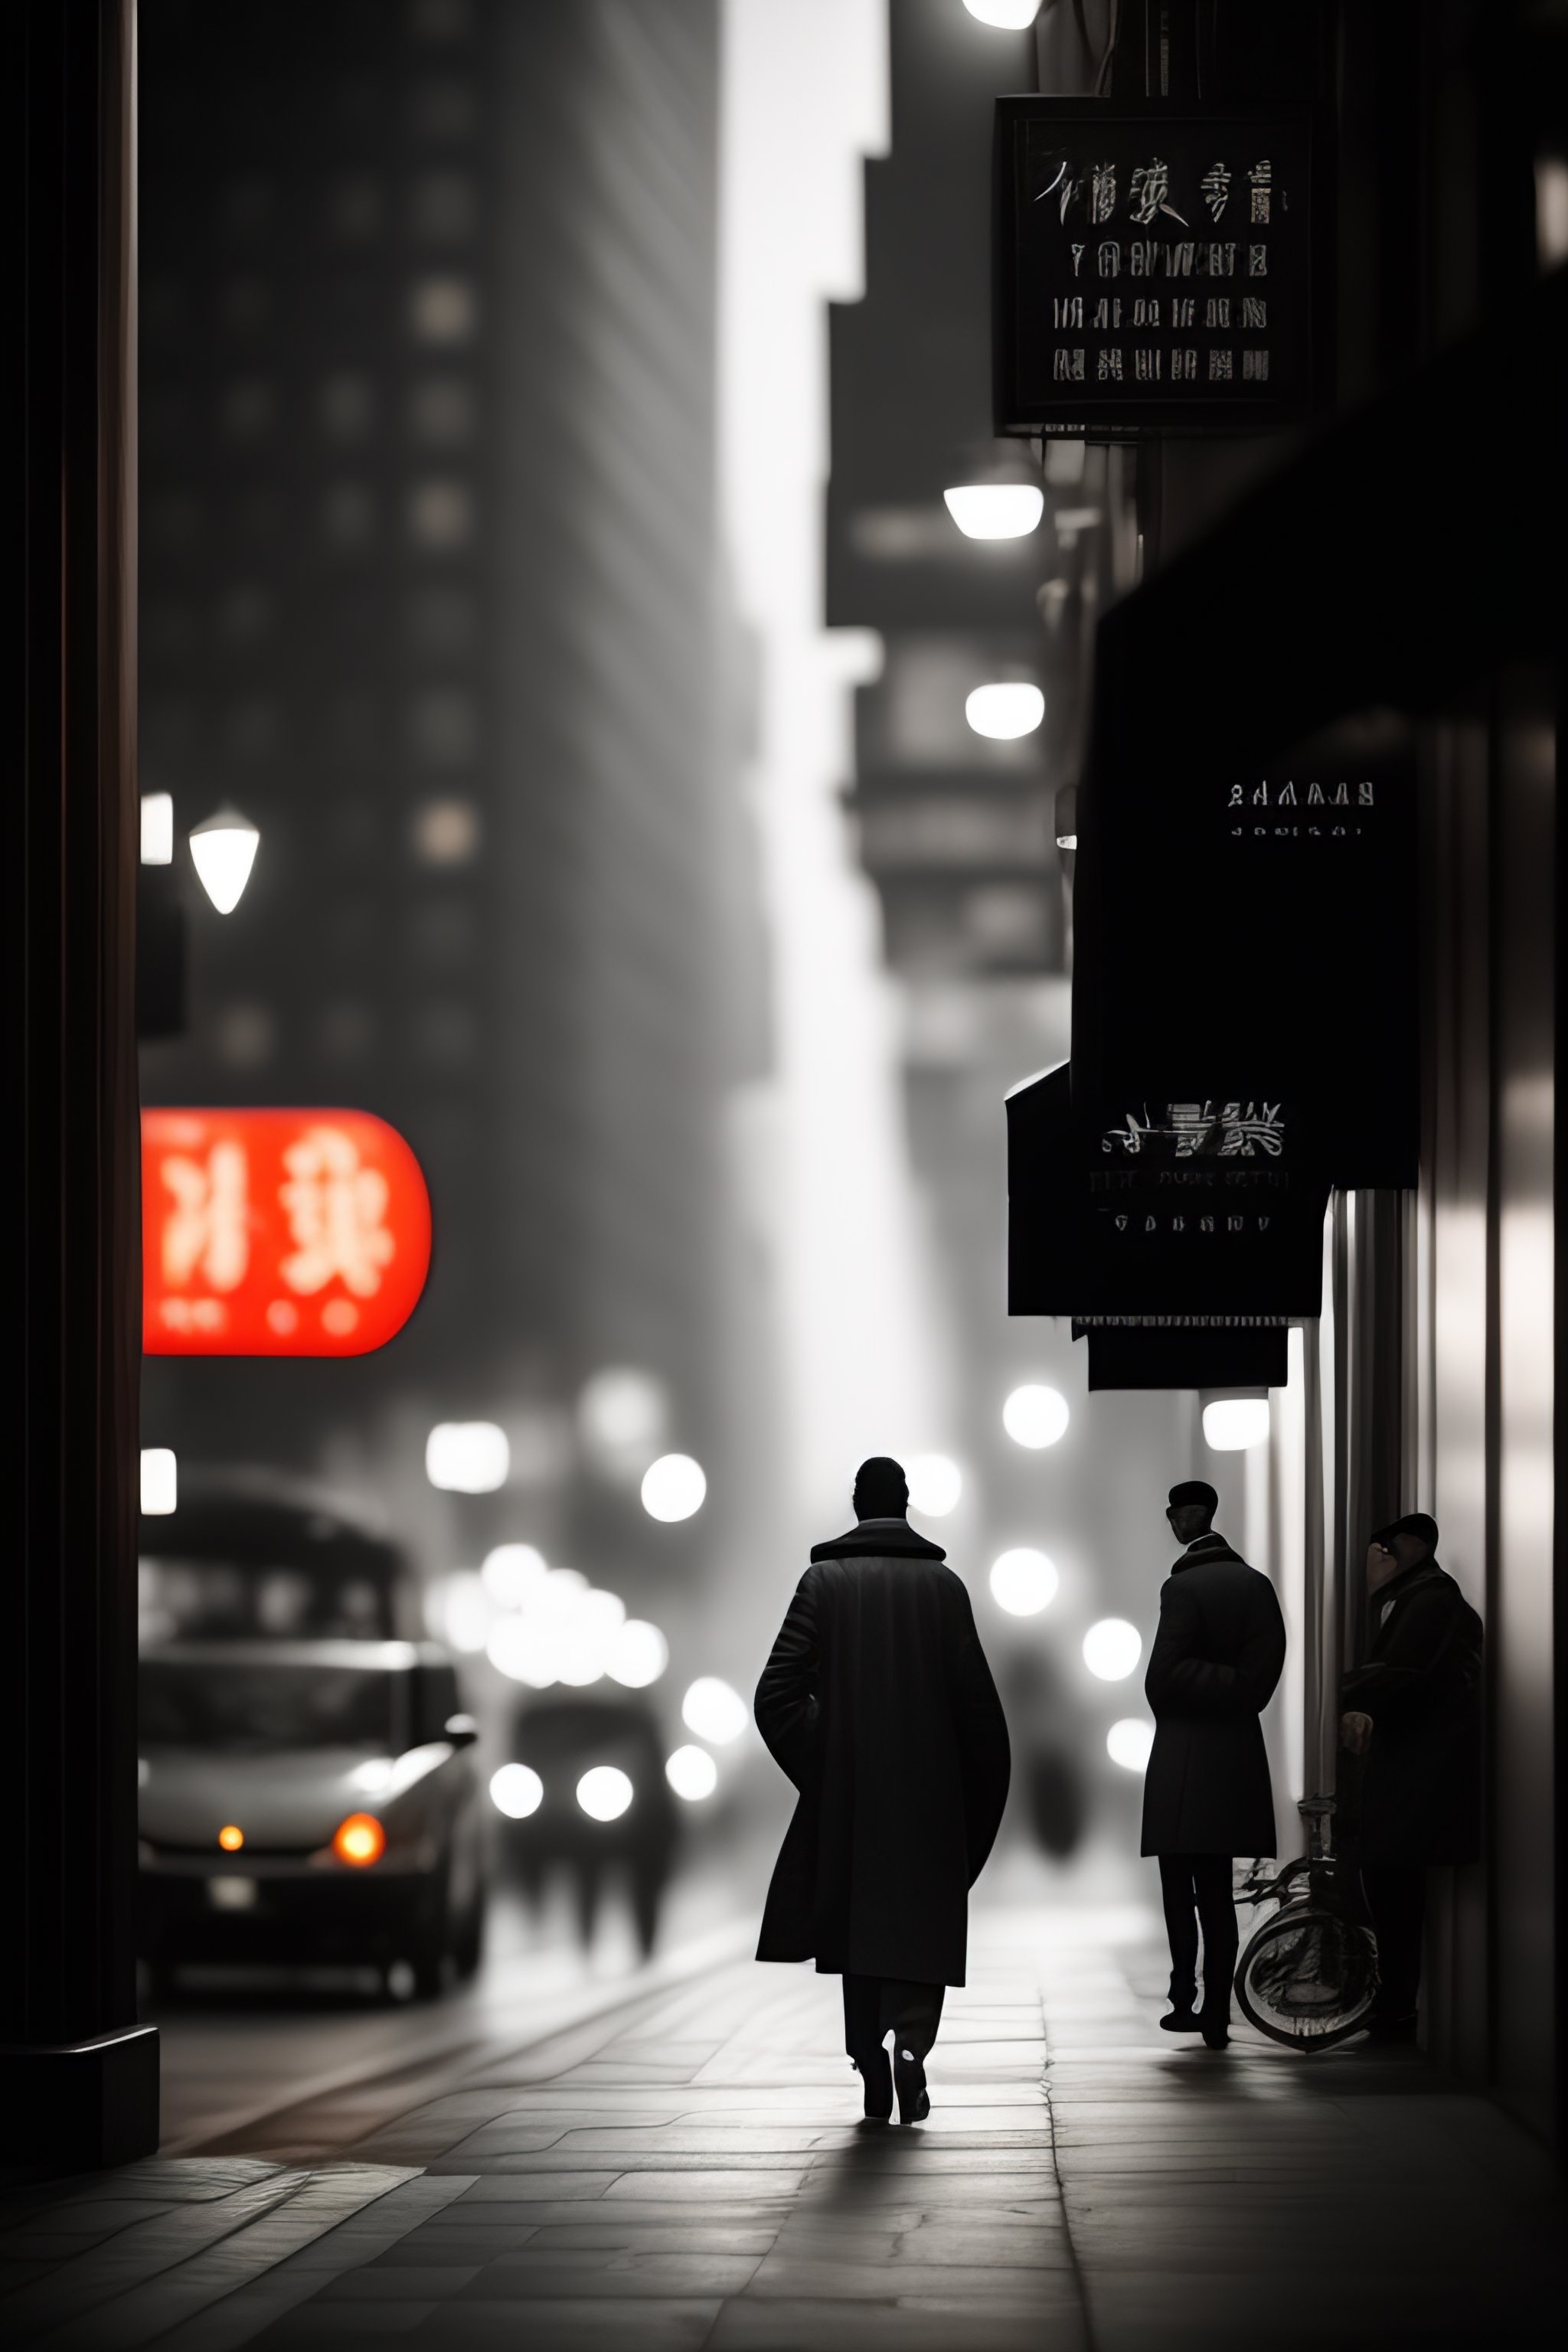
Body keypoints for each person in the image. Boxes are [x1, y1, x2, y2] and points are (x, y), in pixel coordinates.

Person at [754, 1455, 1011, 2125]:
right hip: (929, 1798)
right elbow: (979, 1714)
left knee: (859, 1928)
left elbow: (777, 1694)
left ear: (856, 1503)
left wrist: (828, 1761)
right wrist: (972, 1802)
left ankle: (867, 2059)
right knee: (919, 1931)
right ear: (906, 1502)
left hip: (854, 1799)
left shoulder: (824, 1583)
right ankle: (913, 2051)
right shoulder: (945, 1588)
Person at [1142, 1478, 1286, 2049]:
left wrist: (1189, 1690)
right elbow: (1259, 1681)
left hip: (1183, 1754)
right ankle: (1217, 2014)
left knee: (1179, 1886)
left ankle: (1183, 1996)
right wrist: (1233, 1688)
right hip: (1234, 1756)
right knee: (1216, 1892)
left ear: (1179, 1519)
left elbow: (1163, 1678)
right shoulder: (1256, 1585)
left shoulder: (1182, 1589)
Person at [1340, 1511, 1482, 2042]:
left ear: (1411, 1547)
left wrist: (1347, 1694)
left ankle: (1396, 2010)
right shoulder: (1421, 1598)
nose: (1375, 1560)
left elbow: (1401, 1674)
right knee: (1391, 1888)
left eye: (1385, 1548)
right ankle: (1395, 2007)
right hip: (1418, 1771)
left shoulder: (1430, 1600)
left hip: (1419, 1774)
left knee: (1392, 1888)